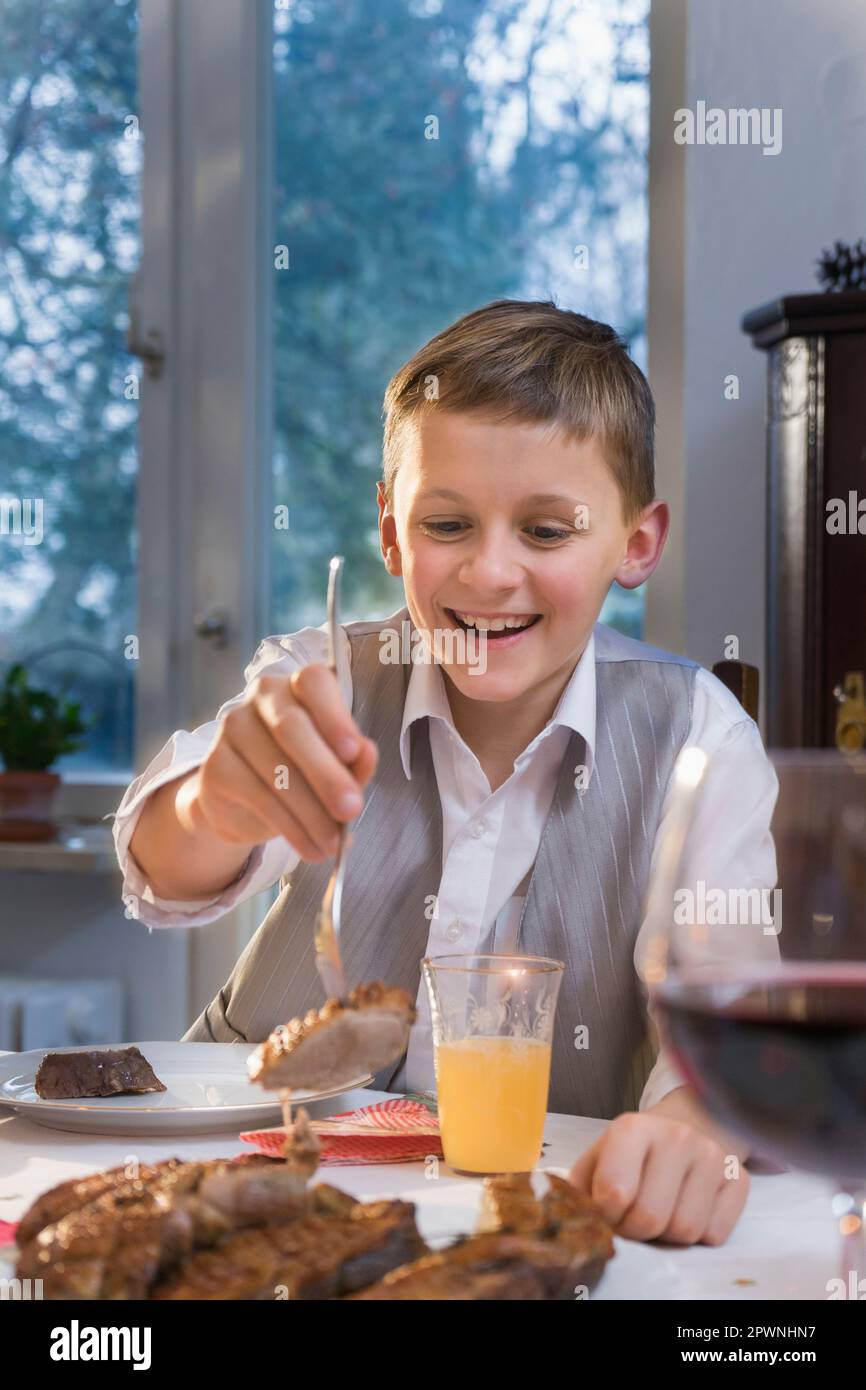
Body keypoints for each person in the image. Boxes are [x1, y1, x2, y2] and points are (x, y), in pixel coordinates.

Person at [114, 299, 780, 1247]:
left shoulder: (700, 738)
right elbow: (162, 869)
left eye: (548, 531)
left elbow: (732, 1033)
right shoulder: (321, 680)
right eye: (448, 523)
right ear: (391, 533)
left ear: (635, 544)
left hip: (526, 1223)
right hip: (247, 1193)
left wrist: (696, 1122)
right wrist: (211, 803)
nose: (490, 572)